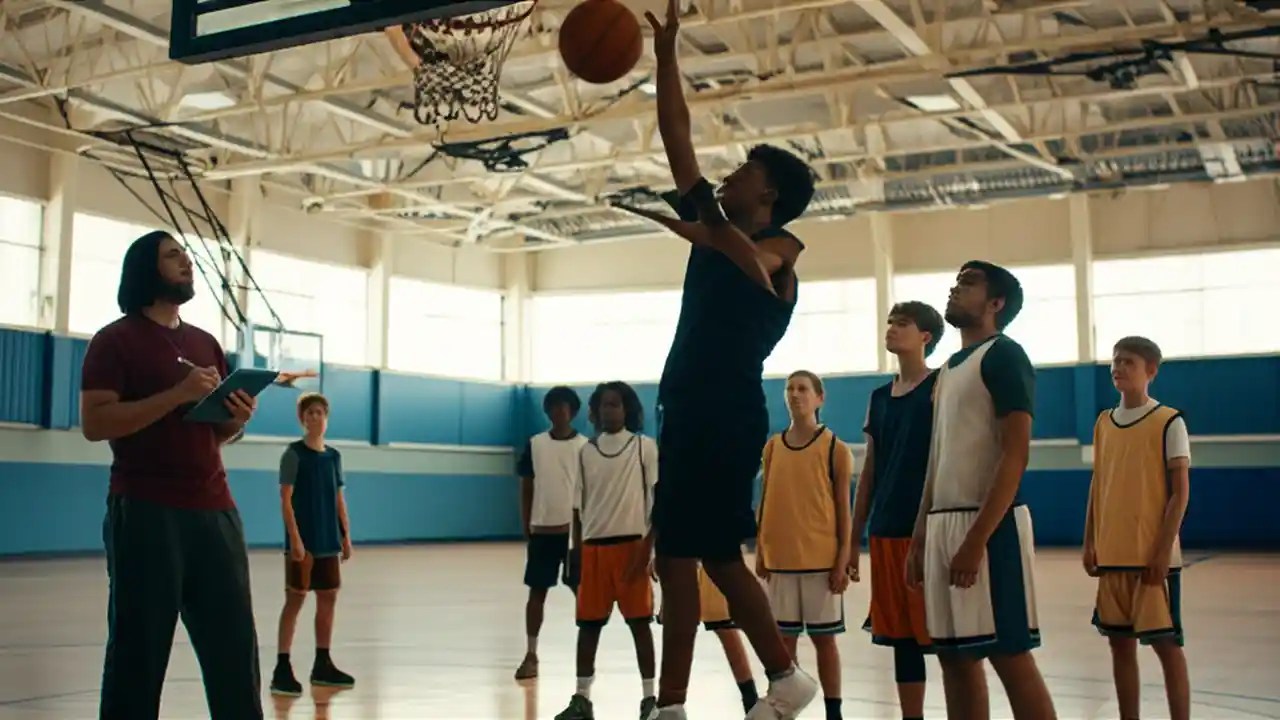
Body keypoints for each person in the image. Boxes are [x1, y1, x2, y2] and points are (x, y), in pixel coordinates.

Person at [612, 1, 819, 717]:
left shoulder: (783, 252)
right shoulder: (717, 225)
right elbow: (679, 138)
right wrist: (665, 54)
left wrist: (694, 229)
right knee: (675, 563)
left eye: (743, 172)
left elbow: (751, 258)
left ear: (770, 195)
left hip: (726, 418)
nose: (727, 177)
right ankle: (671, 704)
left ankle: (788, 677)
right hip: (689, 413)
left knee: (722, 560)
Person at [80, 230, 263, 720]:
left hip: (216, 512)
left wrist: (236, 415)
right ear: (146, 268)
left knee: (235, 651)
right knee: (138, 653)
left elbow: (212, 432)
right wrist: (177, 395)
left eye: (186, 256)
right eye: (173, 256)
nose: (186, 263)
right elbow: (95, 423)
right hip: (145, 512)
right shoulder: (114, 340)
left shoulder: (205, 343)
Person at [905, 261, 1057, 720]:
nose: (954, 289)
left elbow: (1015, 454)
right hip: (941, 523)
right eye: (955, 282)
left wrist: (977, 540)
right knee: (955, 656)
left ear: (996, 304)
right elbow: (937, 459)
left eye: (968, 284)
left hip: (989, 526)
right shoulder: (948, 370)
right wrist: (919, 536)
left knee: (1008, 654)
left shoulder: (1005, 356)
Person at [1083, 336, 1191, 720]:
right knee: (1119, 646)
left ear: (1151, 371)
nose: (1118, 368)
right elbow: (1099, 485)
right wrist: (1089, 540)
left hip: (1150, 558)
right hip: (1113, 555)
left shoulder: (1168, 421)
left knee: (1166, 646)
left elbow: (1180, 494)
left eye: (1128, 361)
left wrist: (1163, 550)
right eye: (1115, 361)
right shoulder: (1103, 423)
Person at [850, 301, 944, 720]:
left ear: (925, 336)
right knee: (902, 639)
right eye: (889, 322)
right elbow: (869, 471)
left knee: (942, 634)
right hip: (886, 530)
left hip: (930, 528)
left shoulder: (941, 387)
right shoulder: (878, 397)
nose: (891, 328)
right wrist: (852, 539)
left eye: (902, 323)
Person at [555, 382, 659, 720]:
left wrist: (648, 550)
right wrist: (575, 554)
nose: (608, 410)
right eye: (603, 405)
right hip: (594, 550)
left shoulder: (644, 447)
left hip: (632, 547)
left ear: (627, 408)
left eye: (615, 404)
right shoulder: (585, 452)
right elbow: (577, 507)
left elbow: (657, 504)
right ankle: (582, 698)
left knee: (640, 626)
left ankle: (649, 699)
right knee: (588, 627)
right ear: (595, 411)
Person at [755, 371, 854, 720]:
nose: (795, 395)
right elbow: (765, 500)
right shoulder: (772, 446)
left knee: (825, 642)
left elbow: (845, 510)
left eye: (803, 389)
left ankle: (834, 712)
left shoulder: (834, 449)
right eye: (789, 389)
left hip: (821, 563)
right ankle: (785, 709)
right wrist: (762, 550)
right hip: (780, 561)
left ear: (819, 398)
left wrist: (842, 560)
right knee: (784, 645)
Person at [270, 392, 355, 696]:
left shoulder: (334, 457)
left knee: (328, 597)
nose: (315, 418)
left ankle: (323, 663)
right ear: (302, 419)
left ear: (326, 418)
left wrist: (345, 536)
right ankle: (282, 666)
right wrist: (294, 538)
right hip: (303, 543)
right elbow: (285, 499)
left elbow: (338, 498)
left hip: (327, 541)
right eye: (309, 413)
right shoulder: (293, 455)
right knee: (295, 599)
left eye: (320, 412)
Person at [515, 385, 589, 680]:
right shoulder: (535, 444)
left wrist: (586, 533)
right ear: (547, 411)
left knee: (583, 594)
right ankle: (531, 654)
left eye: (565, 407)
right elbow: (527, 485)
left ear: (572, 412)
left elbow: (590, 490)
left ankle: (586, 658)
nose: (560, 412)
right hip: (543, 530)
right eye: (554, 406)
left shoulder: (585, 446)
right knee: (537, 593)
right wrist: (526, 522)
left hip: (574, 532)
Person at [657, 563, 761, 713]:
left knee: (722, 627)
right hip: (684, 557)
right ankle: (671, 704)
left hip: (709, 556)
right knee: (682, 631)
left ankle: (751, 699)